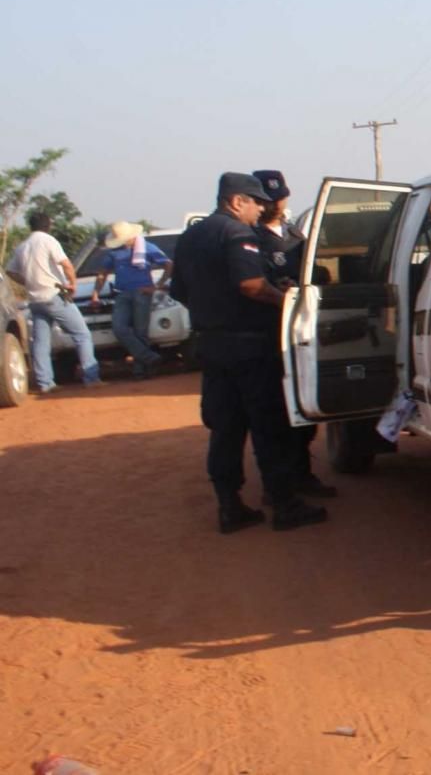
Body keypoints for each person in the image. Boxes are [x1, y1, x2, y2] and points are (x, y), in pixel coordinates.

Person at [171, 172, 328, 534]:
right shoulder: (237, 233)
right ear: (236, 201)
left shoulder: (192, 235)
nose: (260, 209)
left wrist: (214, 308)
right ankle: (284, 505)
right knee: (268, 426)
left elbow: (179, 290)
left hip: (211, 345)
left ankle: (230, 506)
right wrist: (286, 301)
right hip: (250, 346)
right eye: (255, 202)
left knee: (225, 428)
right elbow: (251, 285)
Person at [251, 169, 338, 500]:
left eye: (279, 197)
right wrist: (278, 289)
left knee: (304, 411)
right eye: (268, 199)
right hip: (267, 337)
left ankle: (302, 474)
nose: (275, 204)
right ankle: (279, 485)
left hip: (300, 335)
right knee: (274, 415)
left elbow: (315, 271)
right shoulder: (249, 237)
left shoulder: (296, 234)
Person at [4, 212, 101, 392]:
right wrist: (72, 284)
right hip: (53, 295)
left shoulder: (22, 246)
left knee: (41, 342)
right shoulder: (48, 241)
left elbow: (10, 271)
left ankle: (45, 383)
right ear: (48, 225)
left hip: (35, 299)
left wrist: (27, 282)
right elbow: (66, 264)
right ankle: (91, 377)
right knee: (82, 334)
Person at [91, 220, 171, 379]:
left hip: (142, 292)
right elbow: (102, 274)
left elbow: (168, 264)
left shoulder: (147, 247)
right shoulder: (114, 253)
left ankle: (140, 371)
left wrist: (157, 286)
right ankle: (150, 358)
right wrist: (95, 294)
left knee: (141, 332)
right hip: (122, 293)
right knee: (119, 328)